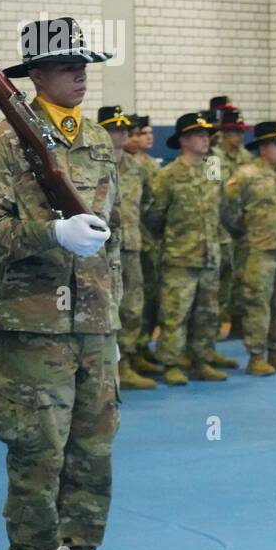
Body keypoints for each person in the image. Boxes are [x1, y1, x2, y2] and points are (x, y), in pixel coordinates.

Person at [0, 16, 122, 550]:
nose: (81, 76)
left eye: (84, 65)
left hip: (94, 328)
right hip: (34, 333)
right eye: (66, 66)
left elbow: (117, 238)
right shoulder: (4, 143)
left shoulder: (99, 141)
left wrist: (116, 319)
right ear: (34, 74)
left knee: (91, 457)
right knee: (38, 459)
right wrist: (52, 232)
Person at [146, 112, 228, 385]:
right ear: (183, 139)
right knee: (175, 314)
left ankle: (201, 359)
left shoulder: (212, 169)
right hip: (180, 257)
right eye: (199, 135)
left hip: (209, 255)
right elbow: (155, 215)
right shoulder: (168, 175)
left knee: (207, 313)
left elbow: (221, 208)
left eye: (207, 135)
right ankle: (170, 362)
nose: (206, 140)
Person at [223, 121, 276, 376]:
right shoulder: (245, 176)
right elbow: (228, 210)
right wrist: (243, 233)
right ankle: (256, 356)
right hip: (258, 249)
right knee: (257, 303)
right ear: (264, 148)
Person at [100, 106, 155, 391]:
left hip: (131, 245)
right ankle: (105, 366)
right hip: (102, 248)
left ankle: (127, 362)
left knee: (133, 307)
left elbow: (147, 203)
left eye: (123, 129)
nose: (120, 134)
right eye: (113, 129)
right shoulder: (94, 164)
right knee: (105, 306)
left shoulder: (138, 168)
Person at [209, 99, 251, 339]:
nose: (238, 137)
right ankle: (212, 330)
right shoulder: (213, 159)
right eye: (234, 132)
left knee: (241, 279)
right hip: (219, 229)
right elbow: (212, 192)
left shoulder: (246, 158)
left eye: (241, 132)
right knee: (218, 284)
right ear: (223, 133)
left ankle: (238, 323)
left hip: (242, 228)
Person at [125, 115, 164, 378]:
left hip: (143, 242)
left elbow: (152, 205)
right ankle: (123, 358)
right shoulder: (110, 165)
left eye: (149, 132)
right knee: (123, 303)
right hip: (116, 245)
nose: (146, 137)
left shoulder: (144, 166)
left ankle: (138, 349)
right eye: (140, 133)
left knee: (142, 301)